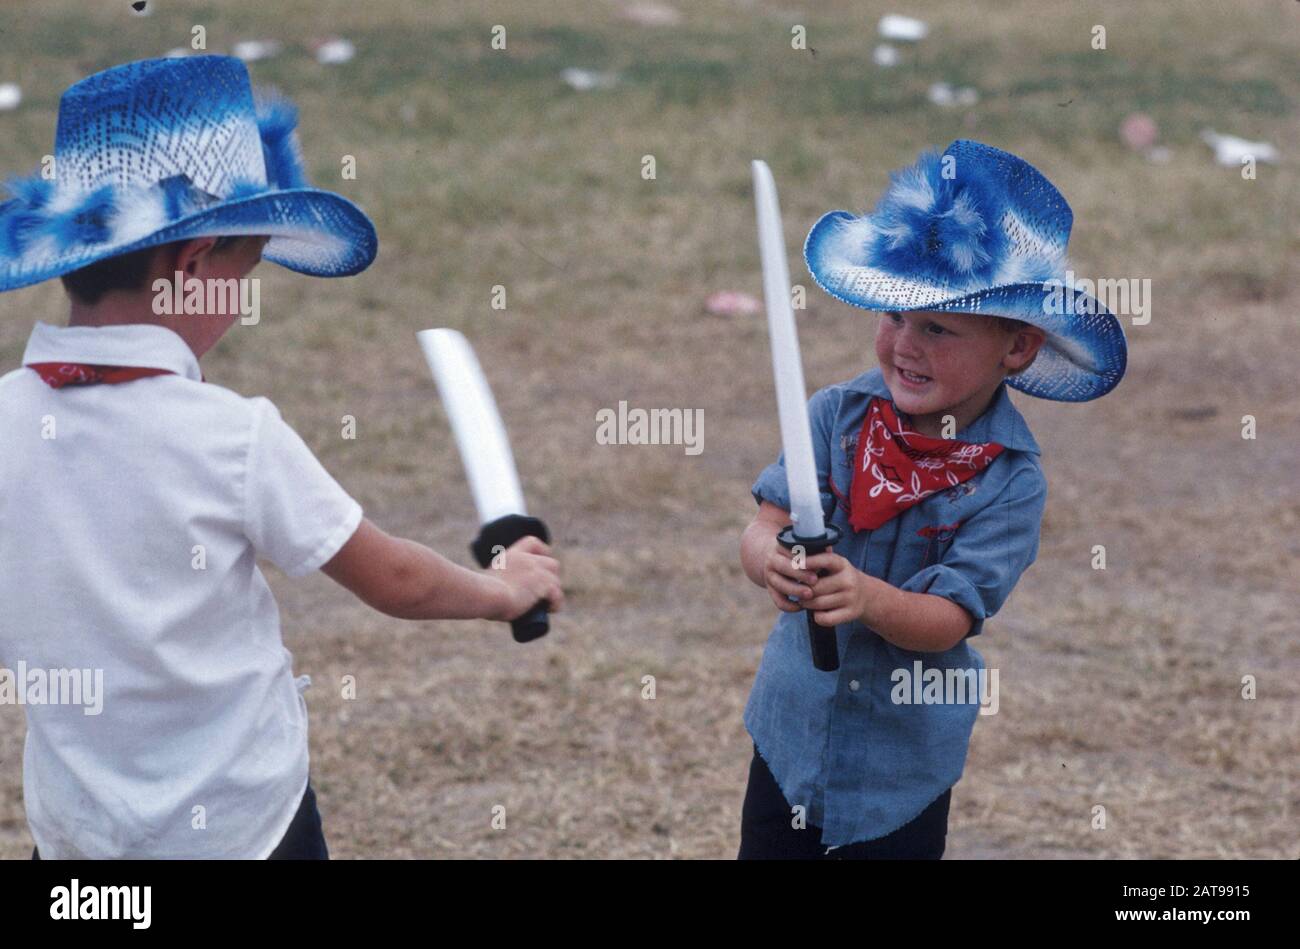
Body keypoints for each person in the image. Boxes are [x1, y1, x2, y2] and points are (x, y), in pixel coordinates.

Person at [0, 55, 562, 859]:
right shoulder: (232, 435)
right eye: (246, 271)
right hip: (246, 833)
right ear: (191, 270)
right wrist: (503, 590)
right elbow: (392, 578)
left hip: (79, 840)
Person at [738, 140, 1127, 858]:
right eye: (894, 315)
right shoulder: (832, 416)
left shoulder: (1010, 480)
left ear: (1016, 348)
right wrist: (772, 562)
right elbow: (766, 525)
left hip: (900, 770)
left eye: (938, 327)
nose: (904, 345)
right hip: (790, 740)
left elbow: (948, 620)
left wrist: (863, 597)